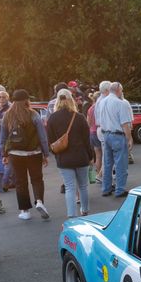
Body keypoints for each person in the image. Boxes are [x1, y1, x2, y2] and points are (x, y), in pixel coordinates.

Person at [2, 89, 50, 219]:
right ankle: (39, 201)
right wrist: (46, 153)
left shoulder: (7, 116)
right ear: (26, 100)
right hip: (34, 152)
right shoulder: (33, 114)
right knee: (37, 179)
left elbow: (3, 137)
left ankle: (25, 211)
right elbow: (42, 136)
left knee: (20, 182)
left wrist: (4, 154)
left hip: (15, 154)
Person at [47, 89, 92, 218]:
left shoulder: (52, 119)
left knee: (70, 187)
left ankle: (71, 214)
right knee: (83, 186)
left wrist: (56, 154)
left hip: (64, 158)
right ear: (71, 100)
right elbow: (86, 140)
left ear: (57, 100)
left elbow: (50, 140)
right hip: (81, 156)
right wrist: (90, 156)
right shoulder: (79, 117)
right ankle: (85, 210)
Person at [97, 82, 133, 196]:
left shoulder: (102, 102)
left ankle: (106, 188)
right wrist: (129, 138)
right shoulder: (120, 103)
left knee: (107, 163)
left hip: (106, 134)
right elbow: (125, 124)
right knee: (120, 164)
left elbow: (99, 120)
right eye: (121, 90)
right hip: (117, 135)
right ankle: (120, 189)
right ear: (118, 90)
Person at [86, 91, 102, 181]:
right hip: (99, 132)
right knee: (105, 156)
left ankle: (99, 173)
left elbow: (88, 123)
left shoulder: (90, 109)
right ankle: (101, 174)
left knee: (98, 155)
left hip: (92, 133)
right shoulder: (100, 107)